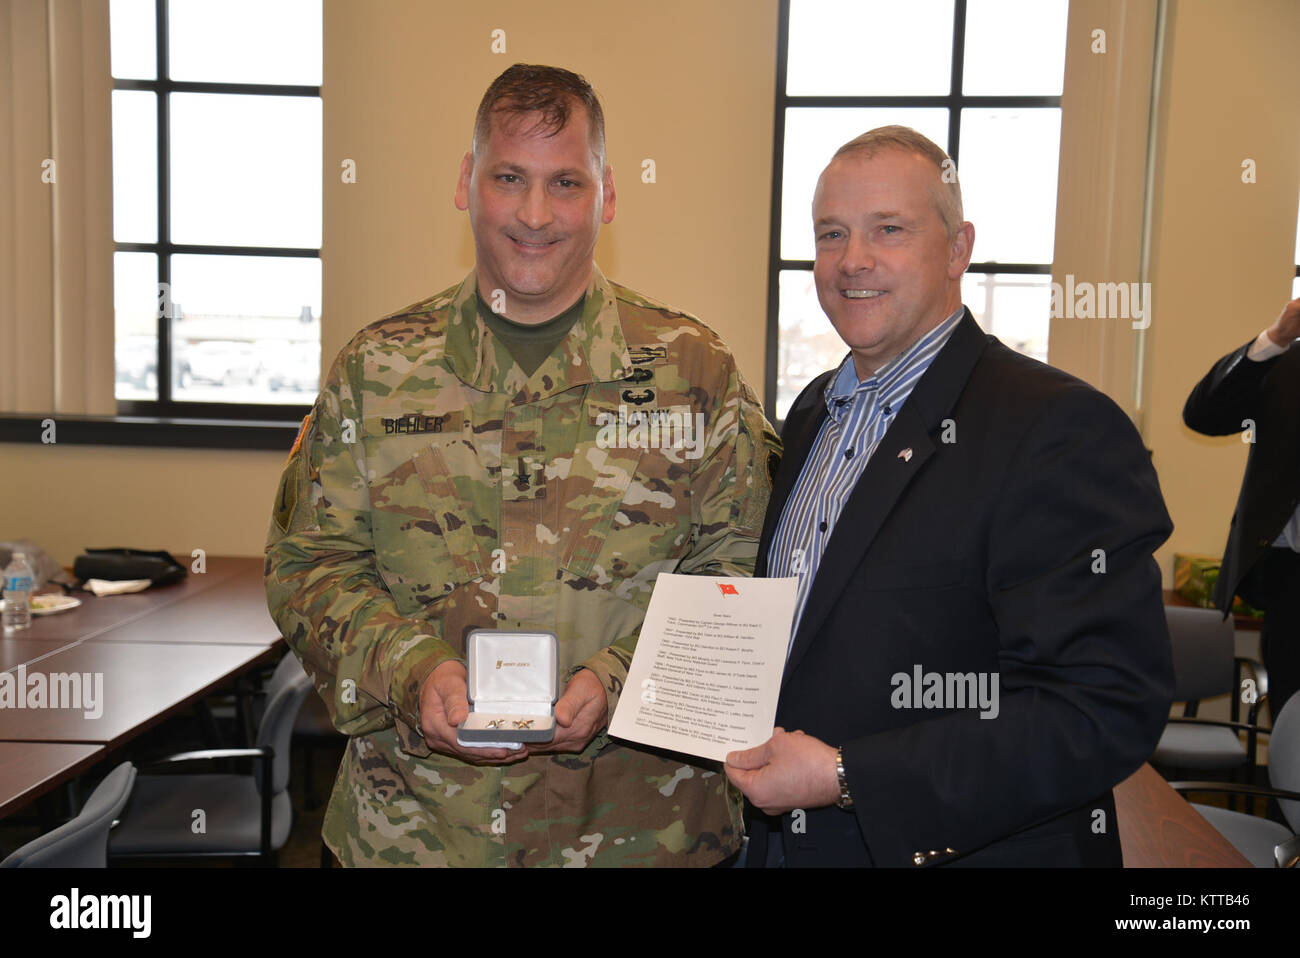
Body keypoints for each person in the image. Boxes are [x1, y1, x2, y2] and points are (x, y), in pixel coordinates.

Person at [265, 63, 778, 867]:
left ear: (606, 197)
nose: (536, 214)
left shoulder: (692, 370)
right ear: (469, 182)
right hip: (419, 834)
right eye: (510, 177)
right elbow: (309, 565)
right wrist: (411, 668)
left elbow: (742, 572)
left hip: (646, 834)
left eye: (566, 182)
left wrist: (614, 679)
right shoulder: (377, 368)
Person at [724, 126, 1174, 867]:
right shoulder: (810, 414)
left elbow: (1100, 707)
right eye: (830, 234)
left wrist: (846, 777)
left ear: (959, 249)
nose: (852, 261)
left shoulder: (1056, 428)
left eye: (888, 230)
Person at [1183, 296, 1300, 722]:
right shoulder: (1285, 363)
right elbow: (1203, 415)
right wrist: (1275, 338)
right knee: (1292, 725)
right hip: (1292, 585)